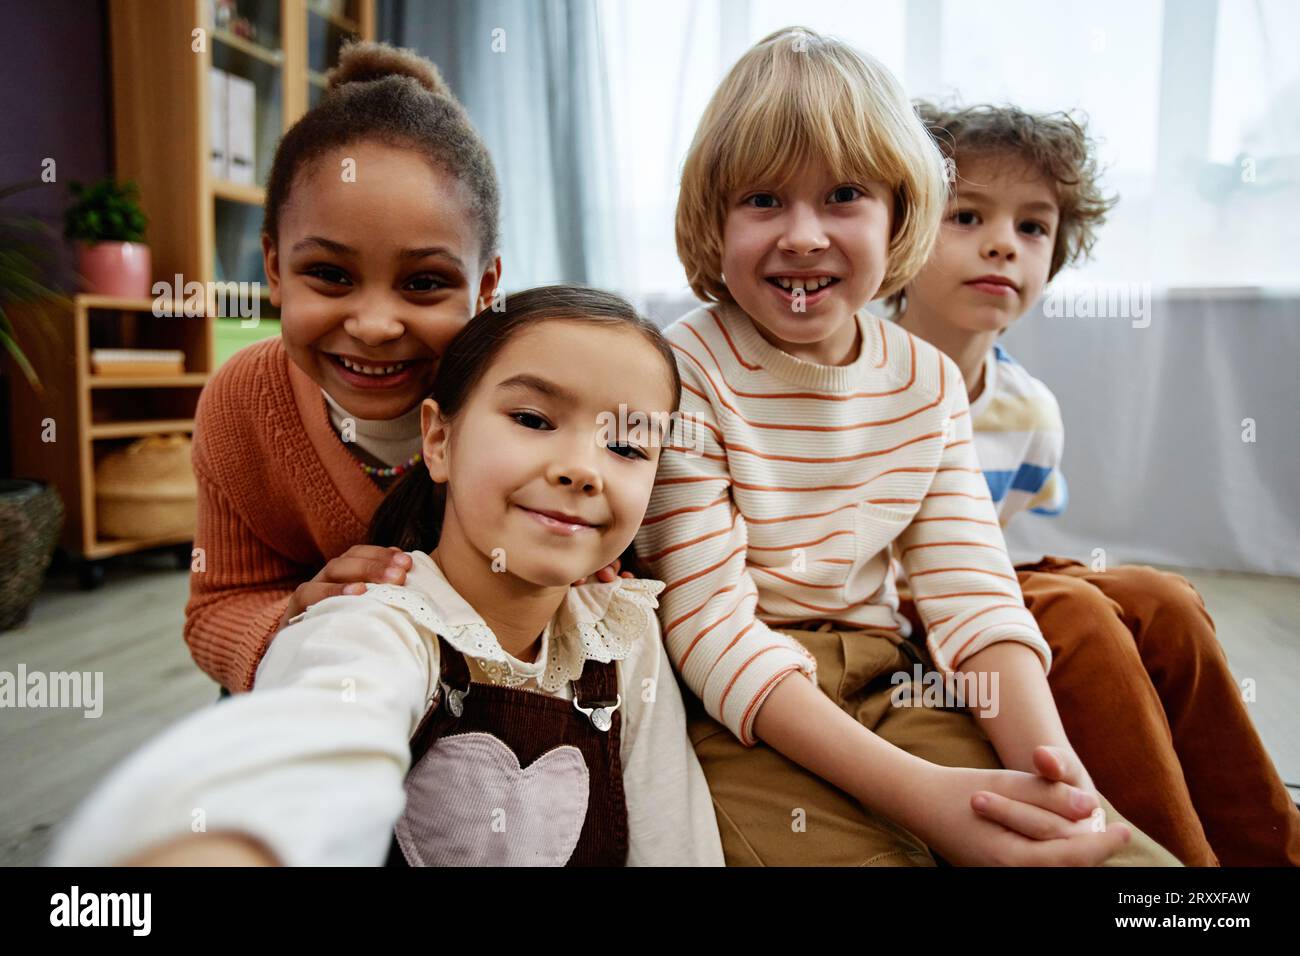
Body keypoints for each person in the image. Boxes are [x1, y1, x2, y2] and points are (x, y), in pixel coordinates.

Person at [633, 26, 1179, 866]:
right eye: (763, 200)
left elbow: (972, 592)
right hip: (739, 709)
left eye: (844, 195)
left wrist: (1059, 775)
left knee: (1111, 861)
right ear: (714, 218)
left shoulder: (925, 381)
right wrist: (925, 799)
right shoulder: (684, 366)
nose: (805, 235)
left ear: (899, 218)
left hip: (896, 676)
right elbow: (708, 627)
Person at [49, 287, 723, 867]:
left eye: (627, 444)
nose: (583, 468)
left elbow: (673, 837)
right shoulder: (377, 621)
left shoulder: (625, 635)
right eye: (531, 419)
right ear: (438, 440)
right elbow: (315, 742)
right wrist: (233, 840)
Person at [892, 101, 1300, 867]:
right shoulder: (858, 376)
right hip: (883, 607)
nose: (1002, 246)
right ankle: (1178, 881)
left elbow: (1000, 538)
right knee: (1076, 611)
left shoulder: (1031, 411)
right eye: (968, 217)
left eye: (1032, 227)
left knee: (1164, 599)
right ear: (901, 229)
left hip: (977, 585)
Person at [185, 40, 624, 696]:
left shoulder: (539, 397)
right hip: (326, 682)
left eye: (422, 283)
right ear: (274, 268)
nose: (373, 325)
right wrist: (294, 616)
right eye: (330, 275)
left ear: (485, 287)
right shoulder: (242, 401)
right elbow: (218, 607)